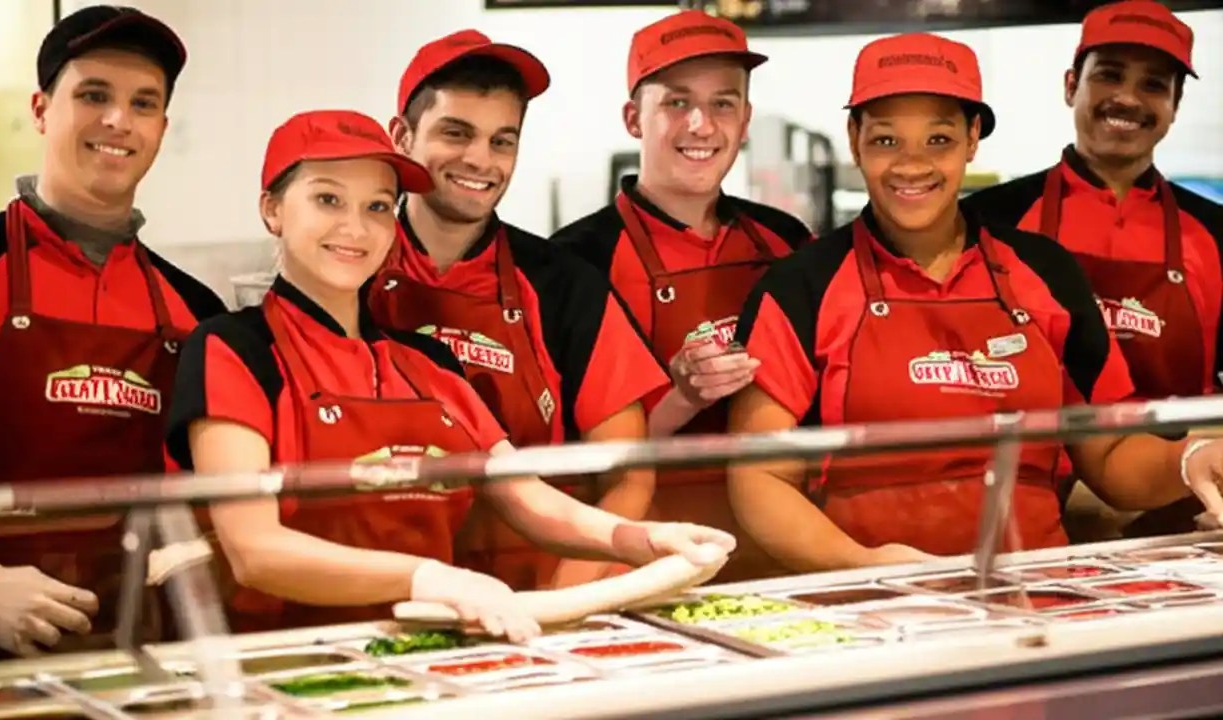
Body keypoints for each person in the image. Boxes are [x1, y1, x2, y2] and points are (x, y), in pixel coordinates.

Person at [165, 109, 734, 638]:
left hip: (431, 644)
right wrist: (428, 579)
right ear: (272, 211)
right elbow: (253, 550)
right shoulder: (231, 349)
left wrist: (645, 539)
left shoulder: (427, 363)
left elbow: (525, 496)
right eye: (327, 200)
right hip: (292, 655)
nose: (356, 229)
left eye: (377, 207)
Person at [725, 32, 1223, 572]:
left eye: (937, 140)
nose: (911, 165)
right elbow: (758, 477)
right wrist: (864, 563)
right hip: (868, 597)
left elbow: (1109, 456)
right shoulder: (803, 285)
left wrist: (1188, 459)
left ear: (971, 138)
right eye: (887, 141)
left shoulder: (1045, 273)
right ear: (854, 138)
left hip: (1038, 589)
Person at [0, 6, 225, 664]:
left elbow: (206, 506)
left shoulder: (195, 310)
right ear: (42, 109)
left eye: (142, 103)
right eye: (93, 95)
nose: (118, 121)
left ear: (161, 127)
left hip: (135, 664)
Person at [369, 31, 674, 591]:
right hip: (383, 595)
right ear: (402, 136)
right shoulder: (348, 275)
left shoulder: (562, 284)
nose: (480, 160)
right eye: (455, 133)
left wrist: (565, 601)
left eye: (501, 141)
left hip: (540, 590)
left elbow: (629, 474)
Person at [551, 11, 813, 583]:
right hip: (637, 563)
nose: (701, 124)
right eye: (675, 102)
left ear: (745, 120)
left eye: (723, 103)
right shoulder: (570, 262)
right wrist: (681, 397)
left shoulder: (788, 243)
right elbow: (573, 457)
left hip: (782, 555)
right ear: (633, 119)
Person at [964, 0, 1223, 538]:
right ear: (1070, 86)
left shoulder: (1216, 234)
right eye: (1108, 75)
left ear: (1174, 106)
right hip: (1023, 509)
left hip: (1174, 507)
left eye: (1154, 85)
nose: (1128, 97)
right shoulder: (989, 220)